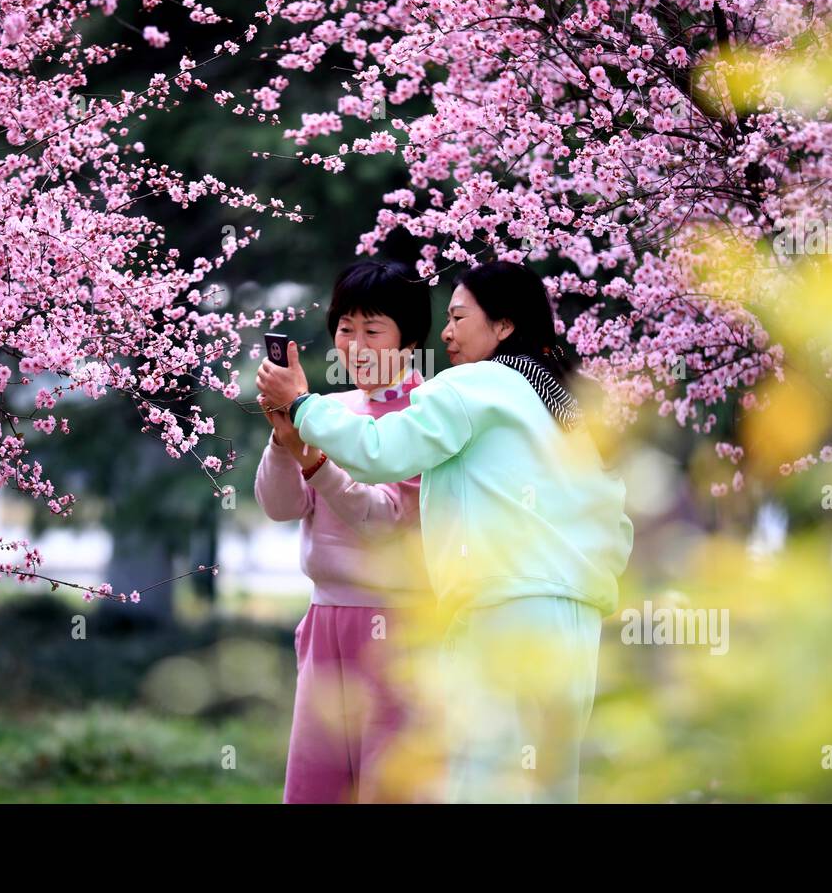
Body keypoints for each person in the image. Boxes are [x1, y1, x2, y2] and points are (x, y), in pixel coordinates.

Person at [256, 259, 635, 803]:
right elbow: (615, 521)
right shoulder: (564, 402)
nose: (449, 333)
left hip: (502, 611)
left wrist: (301, 404)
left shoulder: (474, 385)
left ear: (503, 326)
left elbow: (380, 452)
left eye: (458, 318)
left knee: (484, 783)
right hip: (574, 622)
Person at [254, 259, 435, 803]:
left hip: (400, 626)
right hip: (326, 616)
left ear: (409, 340)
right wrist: (283, 442)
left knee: (391, 784)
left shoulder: (430, 414)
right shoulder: (328, 410)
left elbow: (384, 519)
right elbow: (281, 508)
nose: (355, 344)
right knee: (318, 786)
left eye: (373, 330)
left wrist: (314, 462)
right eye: (345, 328)